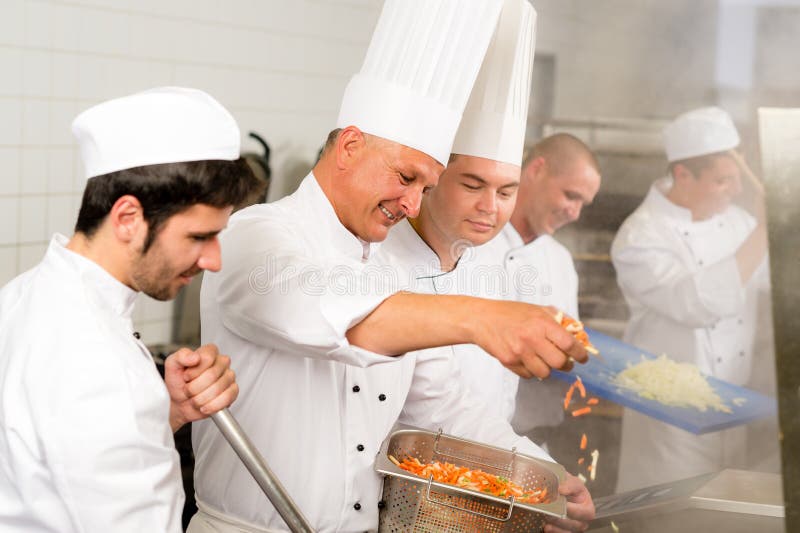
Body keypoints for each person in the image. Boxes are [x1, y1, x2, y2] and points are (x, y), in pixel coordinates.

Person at [189, 1, 588, 531]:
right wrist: (483, 317)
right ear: (350, 146)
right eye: (405, 177)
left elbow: (443, 405)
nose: (414, 205)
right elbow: (343, 314)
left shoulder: (394, 270)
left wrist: (542, 475)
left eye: (426, 186)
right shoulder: (255, 236)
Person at [372, 3, 595, 529]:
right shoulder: (377, 259)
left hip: (461, 494)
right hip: (390, 497)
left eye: (505, 192)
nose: (489, 208)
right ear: (431, 179)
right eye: (472, 185)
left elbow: (453, 404)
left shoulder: (487, 265)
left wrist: (542, 474)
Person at [0, 87, 254, 532]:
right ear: (127, 218)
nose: (213, 260)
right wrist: (139, 403)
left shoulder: (24, 296)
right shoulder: (99, 363)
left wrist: (166, 411)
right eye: (199, 237)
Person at [611, 106, 768, 491]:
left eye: (736, 179)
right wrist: (766, 226)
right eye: (721, 181)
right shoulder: (641, 236)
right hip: (671, 428)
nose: (735, 191)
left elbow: (778, 282)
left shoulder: (736, 221)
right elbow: (698, 303)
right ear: (682, 174)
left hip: (734, 414)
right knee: (669, 519)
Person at [478, 133, 601, 440]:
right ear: (536, 170)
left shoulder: (560, 261)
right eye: (571, 196)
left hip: (532, 438)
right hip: (459, 431)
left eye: (583, 204)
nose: (575, 213)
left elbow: (569, 345)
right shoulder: (473, 240)